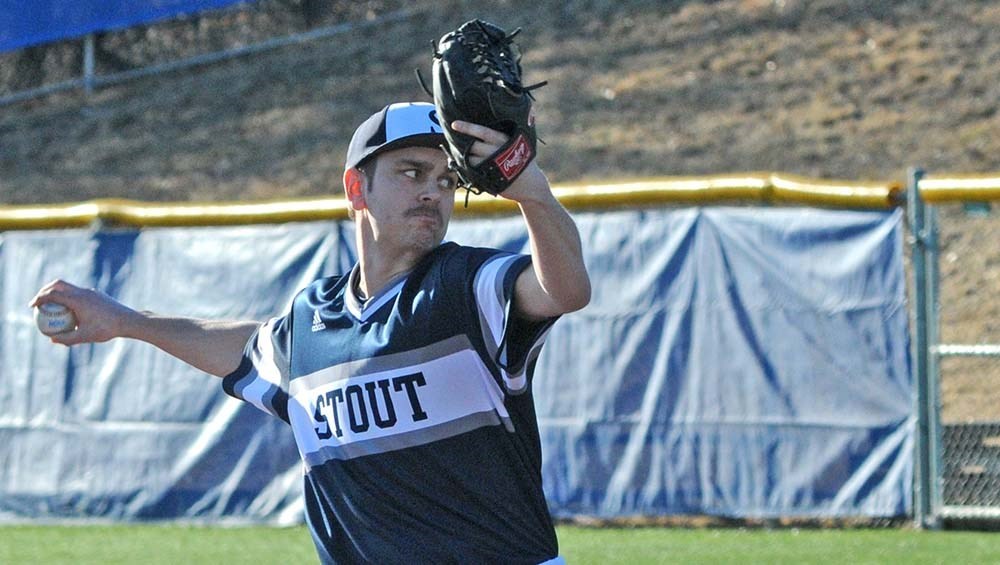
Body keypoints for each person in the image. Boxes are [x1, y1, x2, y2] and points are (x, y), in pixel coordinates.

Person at [31, 101, 591, 564]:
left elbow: (564, 292)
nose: (432, 192)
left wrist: (533, 192)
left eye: (447, 179)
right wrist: (126, 322)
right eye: (411, 172)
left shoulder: (468, 285)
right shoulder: (313, 321)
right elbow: (246, 348)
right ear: (356, 187)